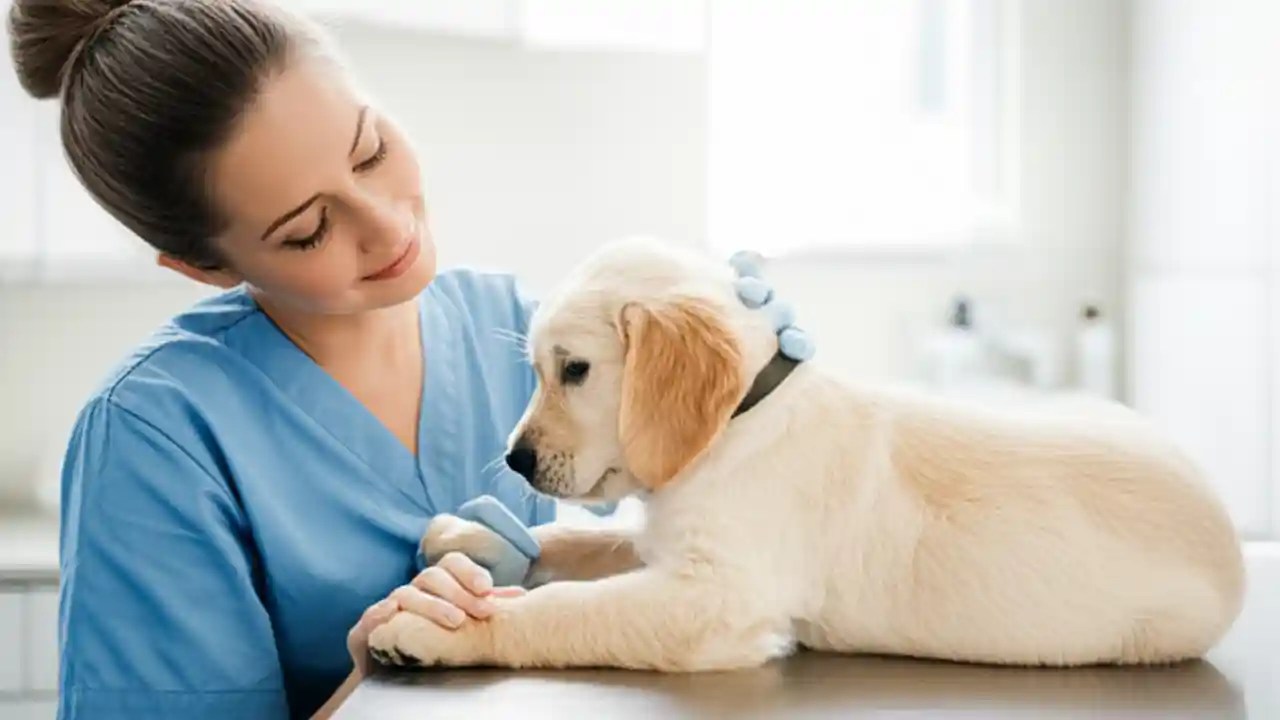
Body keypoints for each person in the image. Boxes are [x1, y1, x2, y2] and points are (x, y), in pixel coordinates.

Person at [6, 1, 813, 718]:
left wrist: (749, 389)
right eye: (307, 230)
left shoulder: (510, 329)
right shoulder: (154, 442)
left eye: (369, 151)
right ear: (205, 266)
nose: (389, 228)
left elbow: (736, 531)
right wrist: (374, 691)